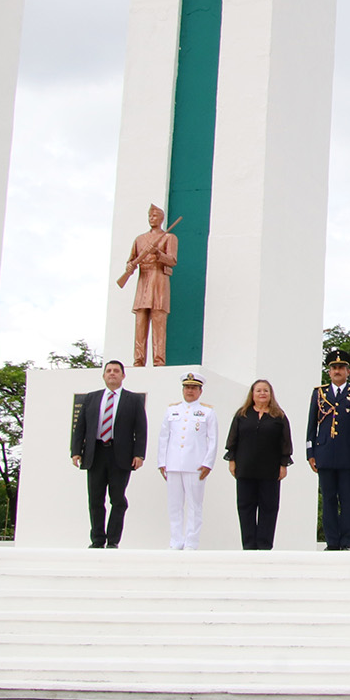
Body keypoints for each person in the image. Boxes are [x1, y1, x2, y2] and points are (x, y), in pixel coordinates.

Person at [70, 360, 147, 549]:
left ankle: (113, 541)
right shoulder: (91, 398)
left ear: (123, 375)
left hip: (120, 455)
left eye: (116, 371)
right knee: (95, 499)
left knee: (118, 499)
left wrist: (139, 454)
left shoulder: (133, 400)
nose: (112, 373)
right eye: (109, 371)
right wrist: (76, 451)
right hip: (95, 454)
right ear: (104, 375)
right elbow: (80, 427)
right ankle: (97, 540)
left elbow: (141, 429)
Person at [307, 349, 350, 551]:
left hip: (349, 455)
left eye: (341, 368)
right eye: (334, 368)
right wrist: (310, 453)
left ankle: (346, 542)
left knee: (347, 500)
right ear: (329, 371)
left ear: (347, 371)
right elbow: (311, 426)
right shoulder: (319, 393)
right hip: (324, 453)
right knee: (328, 500)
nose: (337, 371)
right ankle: (332, 542)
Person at [224, 379, 291, 550]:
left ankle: (264, 545)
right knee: (245, 507)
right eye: (259, 390)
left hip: (270, 470)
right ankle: (249, 546)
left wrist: (283, 464)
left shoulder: (279, 416)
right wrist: (232, 461)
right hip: (245, 468)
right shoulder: (242, 415)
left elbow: (285, 442)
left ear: (271, 394)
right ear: (252, 394)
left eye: (265, 390)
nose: (262, 393)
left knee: (269, 508)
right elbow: (232, 439)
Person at [157, 372, 218, 550]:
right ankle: (176, 541)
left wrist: (208, 463)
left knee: (194, 505)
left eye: (193, 388)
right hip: (173, 463)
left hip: (196, 465)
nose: (190, 391)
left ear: (200, 391)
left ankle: (191, 542)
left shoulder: (207, 412)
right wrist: (162, 462)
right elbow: (163, 437)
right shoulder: (172, 410)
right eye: (187, 387)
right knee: (174, 505)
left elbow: (213, 439)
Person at [122, 204, 178, 367]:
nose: (151, 219)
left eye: (155, 216)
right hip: (143, 280)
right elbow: (131, 260)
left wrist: (158, 253)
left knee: (159, 321)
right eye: (150, 216)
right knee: (140, 321)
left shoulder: (169, 237)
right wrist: (130, 267)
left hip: (159, 280)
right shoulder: (139, 239)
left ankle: (159, 360)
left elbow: (172, 260)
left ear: (161, 219)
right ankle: (138, 360)